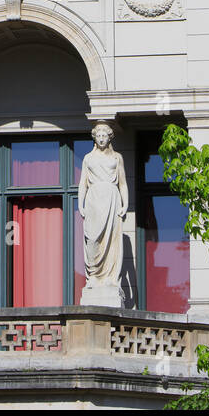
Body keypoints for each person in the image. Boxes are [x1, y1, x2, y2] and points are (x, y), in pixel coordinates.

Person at [78, 122, 127, 305]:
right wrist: (81, 204)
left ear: (109, 137)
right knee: (92, 239)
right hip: (93, 200)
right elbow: (83, 183)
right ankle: (94, 277)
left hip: (112, 199)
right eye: (98, 136)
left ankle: (109, 279)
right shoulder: (88, 159)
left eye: (104, 136)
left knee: (112, 241)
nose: (101, 139)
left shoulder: (117, 158)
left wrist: (125, 203)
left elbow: (122, 183)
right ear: (94, 138)